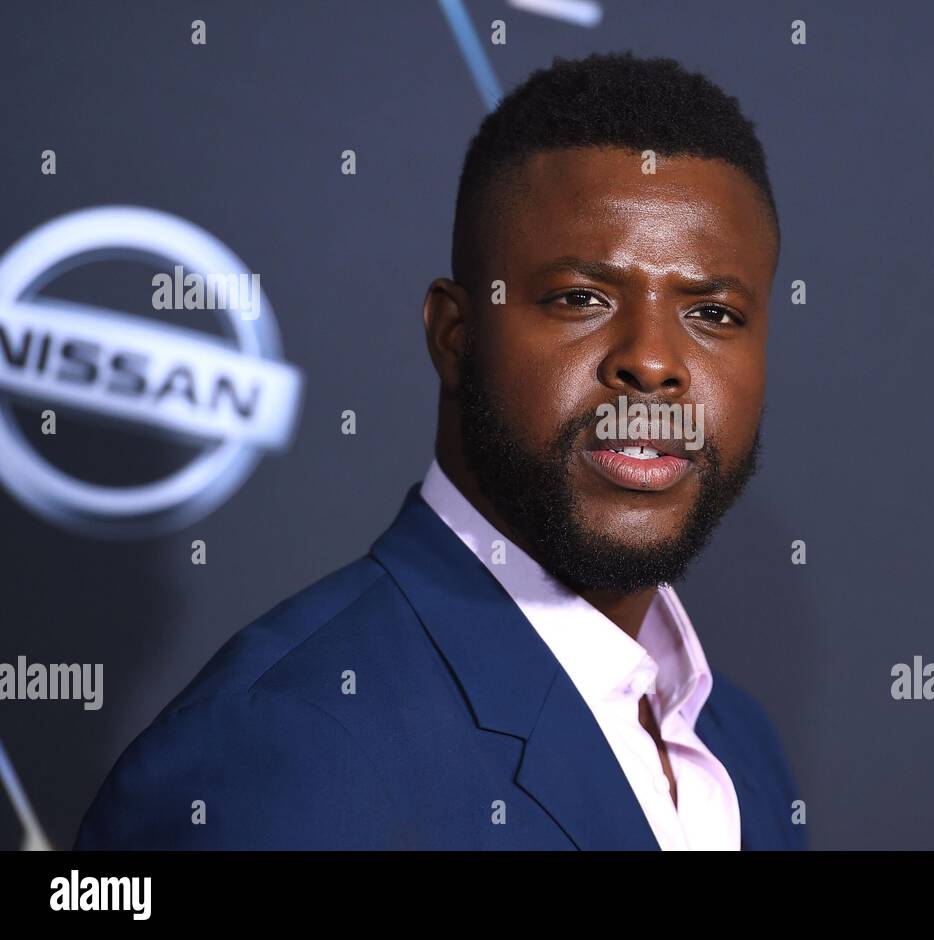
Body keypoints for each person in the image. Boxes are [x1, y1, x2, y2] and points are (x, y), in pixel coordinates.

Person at [76, 50, 804, 850]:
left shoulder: (739, 746)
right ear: (456, 338)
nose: (654, 361)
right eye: (581, 298)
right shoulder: (280, 751)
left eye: (714, 314)